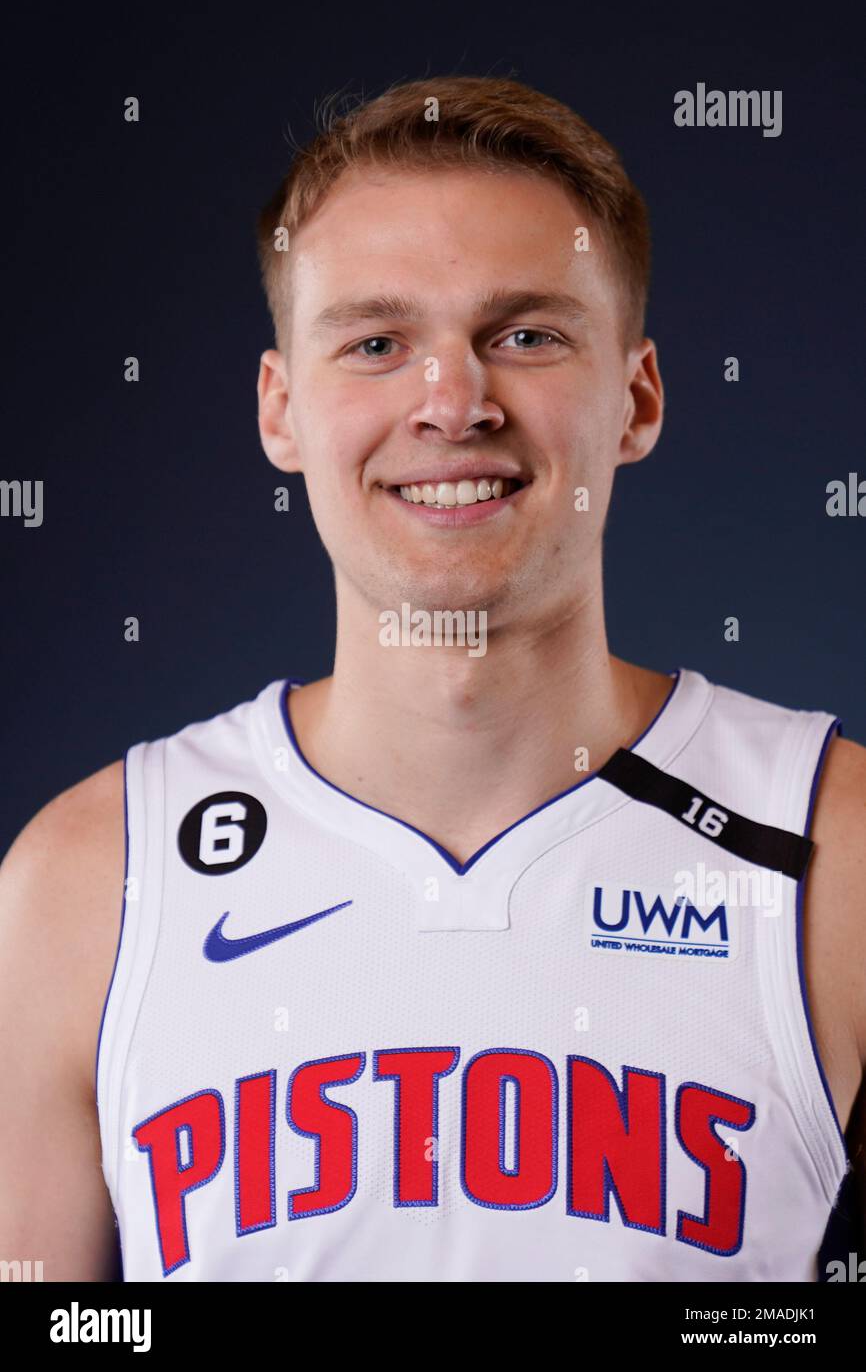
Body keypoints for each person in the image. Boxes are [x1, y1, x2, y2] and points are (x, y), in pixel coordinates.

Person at [1, 75, 863, 1282]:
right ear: (281, 410)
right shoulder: (88, 883)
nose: (451, 403)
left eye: (525, 334)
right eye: (374, 343)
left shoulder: (833, 854)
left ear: (636, 396)